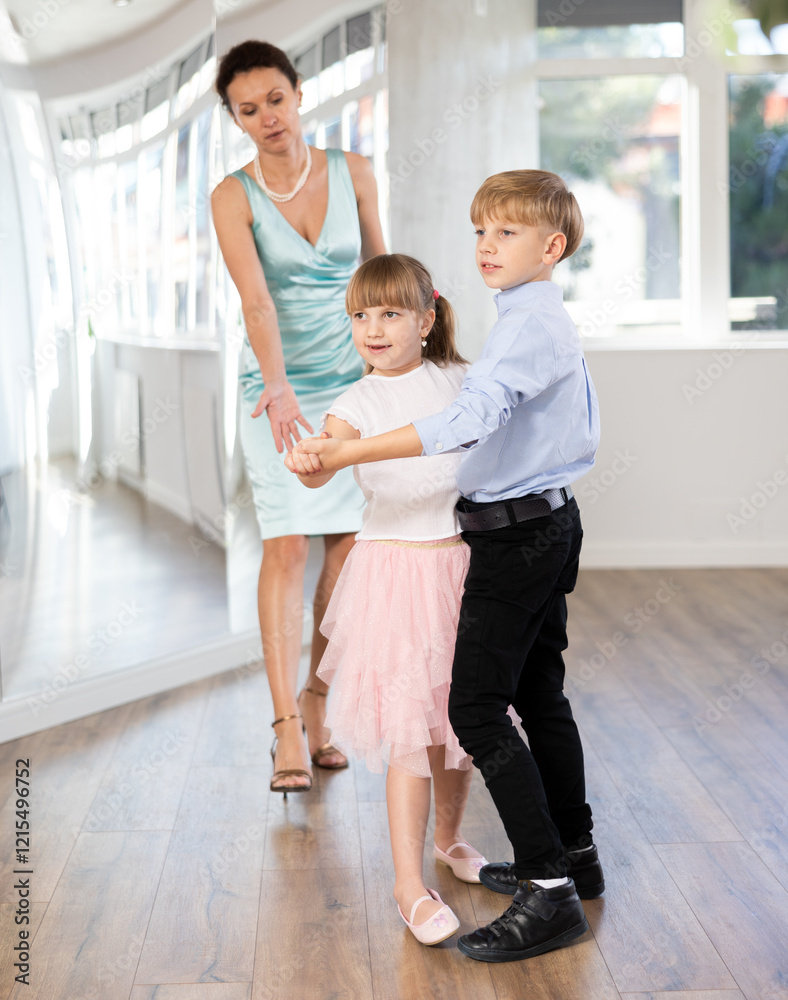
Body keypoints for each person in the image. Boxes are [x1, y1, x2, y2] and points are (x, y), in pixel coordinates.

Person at [287, 170, 604, 962]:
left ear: (552, 246)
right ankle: (574, 859)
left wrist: (351, 450)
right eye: (480, 231)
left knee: (472, 711)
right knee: (532, 696)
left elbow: (465, 422)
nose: (486, 246)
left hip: (509, 539)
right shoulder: (522, 322)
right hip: (516, 531)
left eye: (505, 232)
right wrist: (335, 452)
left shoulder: (519, 333)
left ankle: (549, 886)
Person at [289, 253, 489, 946]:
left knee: (459, 720)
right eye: (359, 315)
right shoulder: (356, 403)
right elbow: (325, 461)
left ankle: (451, 838)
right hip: (396, 576)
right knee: (409, 727)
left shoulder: (462, 380)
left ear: (427, 320)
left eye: (390, 313)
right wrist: (309, 459)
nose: (372, 327)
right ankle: (410, 883)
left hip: (462, 567)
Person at [211, 41, 387, 794]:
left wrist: (413, 356)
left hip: (352, 384)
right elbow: (256, 300)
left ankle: (320, 704)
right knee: (285, 549)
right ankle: (285, 724)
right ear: (235, 116)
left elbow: (383, 272)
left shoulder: (353, 170)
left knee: (347, 548)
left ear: (299, 93)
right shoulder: (231, 195)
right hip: (274, 389)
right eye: (248, 109)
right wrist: (279, 387)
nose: (266, 118)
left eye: (275, 100)